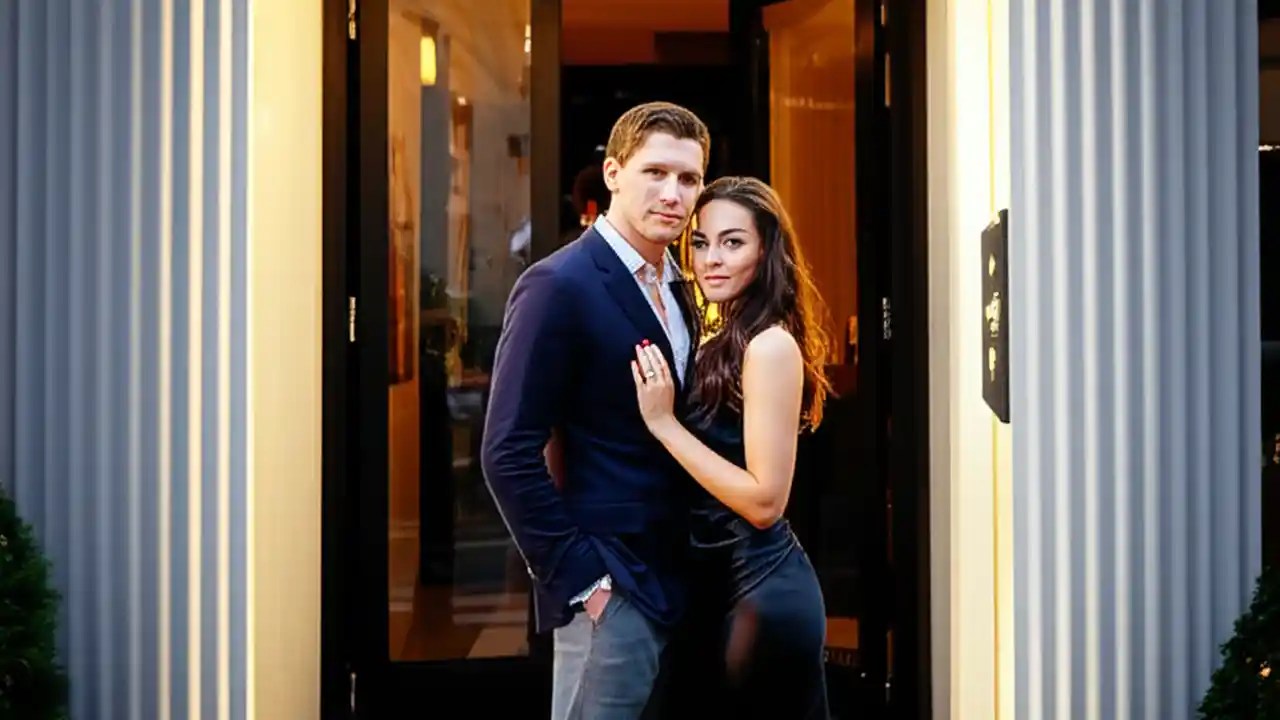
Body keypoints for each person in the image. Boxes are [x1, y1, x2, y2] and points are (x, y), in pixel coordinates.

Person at [480, 101, 710, 719]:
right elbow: (506, 451)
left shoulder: (680, 285)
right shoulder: (559, 284)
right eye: (655, 172)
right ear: (613, 173)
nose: (673, 193)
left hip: (679, 576)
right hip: (611, 585)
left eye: (688, 179)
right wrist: (586, 582)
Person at [629, 176, 832, 718]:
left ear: (765, 251)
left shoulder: (770, 346)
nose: (711, 259)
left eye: (733, 242)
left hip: (759, 589)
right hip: (715, 588)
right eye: (701, 242)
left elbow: (766, 502)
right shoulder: (721, 339)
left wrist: (664, 424)